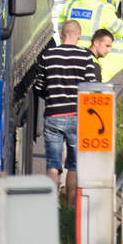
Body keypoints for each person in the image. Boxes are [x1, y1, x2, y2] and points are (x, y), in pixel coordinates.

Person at [35, 19, 99, 206]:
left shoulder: (48, 55)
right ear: (79, 37)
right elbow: (91, 86)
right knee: (74, 165)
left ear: (62, 35)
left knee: (53, 166)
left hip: (53, 116)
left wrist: (52, 95)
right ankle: (70, 207)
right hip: (77, 117)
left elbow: (40, 86)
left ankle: (51, 206)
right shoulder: (85, 57)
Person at [59, 0, 123, 83]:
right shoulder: (104, 9)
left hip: (68, 58)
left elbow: (61, 27)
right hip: (91, 61)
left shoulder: (70, 5)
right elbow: (122, 31)